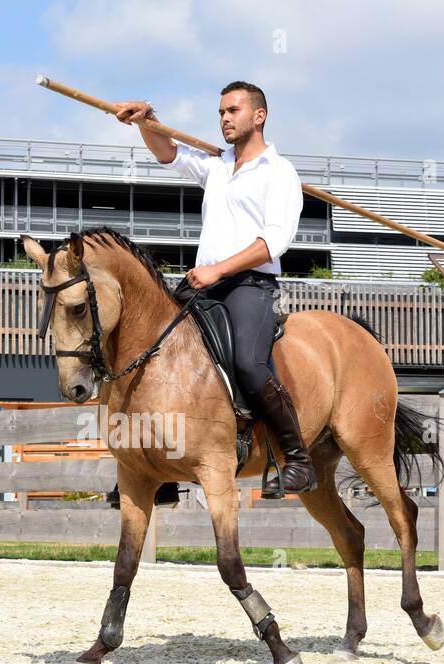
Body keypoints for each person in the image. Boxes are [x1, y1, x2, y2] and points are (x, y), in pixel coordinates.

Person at [113, 81, 316, 495]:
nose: (224, 118)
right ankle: (156, 462)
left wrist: (218, 271)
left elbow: (272, 243)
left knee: (248, 364)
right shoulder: (219, 164)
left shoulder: (280, 172)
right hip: (203, 282)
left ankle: (298, 459)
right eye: (221, 111)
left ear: (258, 116)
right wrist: (146, 120)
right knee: (153, 350)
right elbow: (167, 152)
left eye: (233, 110)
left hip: (248, 285)